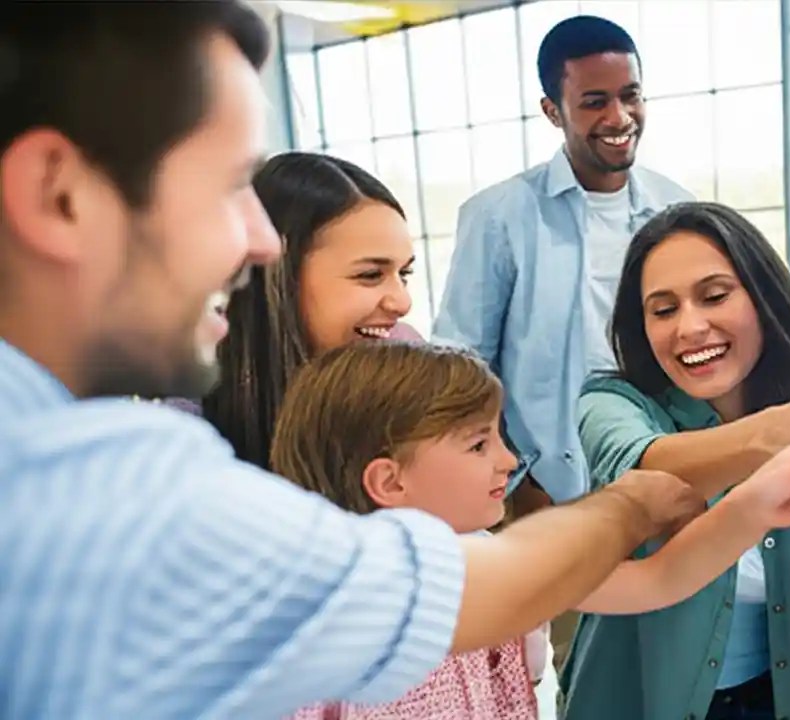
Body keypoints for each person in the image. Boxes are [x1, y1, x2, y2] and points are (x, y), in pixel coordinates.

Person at [0, 4, 720, 717]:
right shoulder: (116, 490)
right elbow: (452, 592)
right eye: (224, 187)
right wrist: (628, 502)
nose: (259, 242)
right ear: (56, 195)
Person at [272, 342, 790, 719]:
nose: (508, 461)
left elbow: (656, 580)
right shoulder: (334, 627)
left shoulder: (494, 558)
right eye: (479, 444)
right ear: (390, 482)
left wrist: (760, 503)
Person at [564, 202, 790, 720]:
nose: (689, 327)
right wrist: (776, 433)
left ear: (763, 299)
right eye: (663, 310)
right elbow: (645, 477)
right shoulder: (611, 404)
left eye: (714, 296)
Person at [432, 15, 694, 509]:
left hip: (662, 473)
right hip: (550, 490)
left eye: (630, 95)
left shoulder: (678, 208)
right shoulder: (499, 216)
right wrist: (512, 482)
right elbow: (462, 364)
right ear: (553, 111)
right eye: (595, 102)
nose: (619, 117)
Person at [198, 150, 422, 468]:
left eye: (405, 274)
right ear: (276, 272)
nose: (402, 303)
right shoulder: (182, 416)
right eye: (371, 275)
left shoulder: (408, 355)